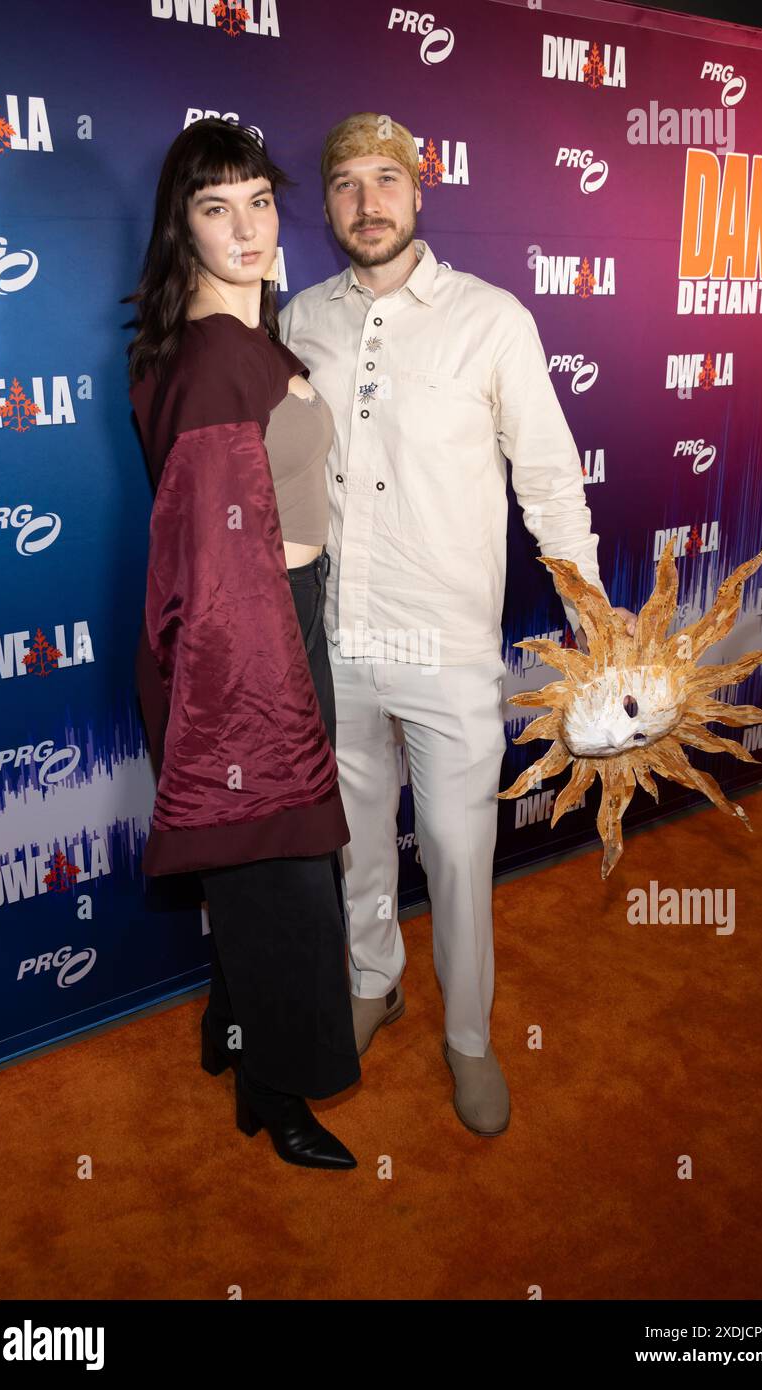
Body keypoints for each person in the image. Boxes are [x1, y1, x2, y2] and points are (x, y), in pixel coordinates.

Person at [279, 112, 637, 1137]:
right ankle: (375, 979)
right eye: (345, 183)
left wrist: (594, 614)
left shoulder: (493, 319)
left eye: (386, 179)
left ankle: (469, 1038)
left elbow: (550, 480)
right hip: (340, 642)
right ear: (330, 202)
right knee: (356, 844)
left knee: (456, 850)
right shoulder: (300, 319)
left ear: (420, 190)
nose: (366, 202)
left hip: (448, 648)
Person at [123, 117, 360, 1170]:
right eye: (215, 208)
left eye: (259, 199)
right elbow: (218, 584)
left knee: (259, 864)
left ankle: (228, 1028)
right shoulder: (218, 361)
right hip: (246, 642)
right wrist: (262, 711)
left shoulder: (247, 342)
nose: (247, 225)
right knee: (284, 866)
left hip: (283, 616)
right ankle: (277, 1088)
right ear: (184, 230)